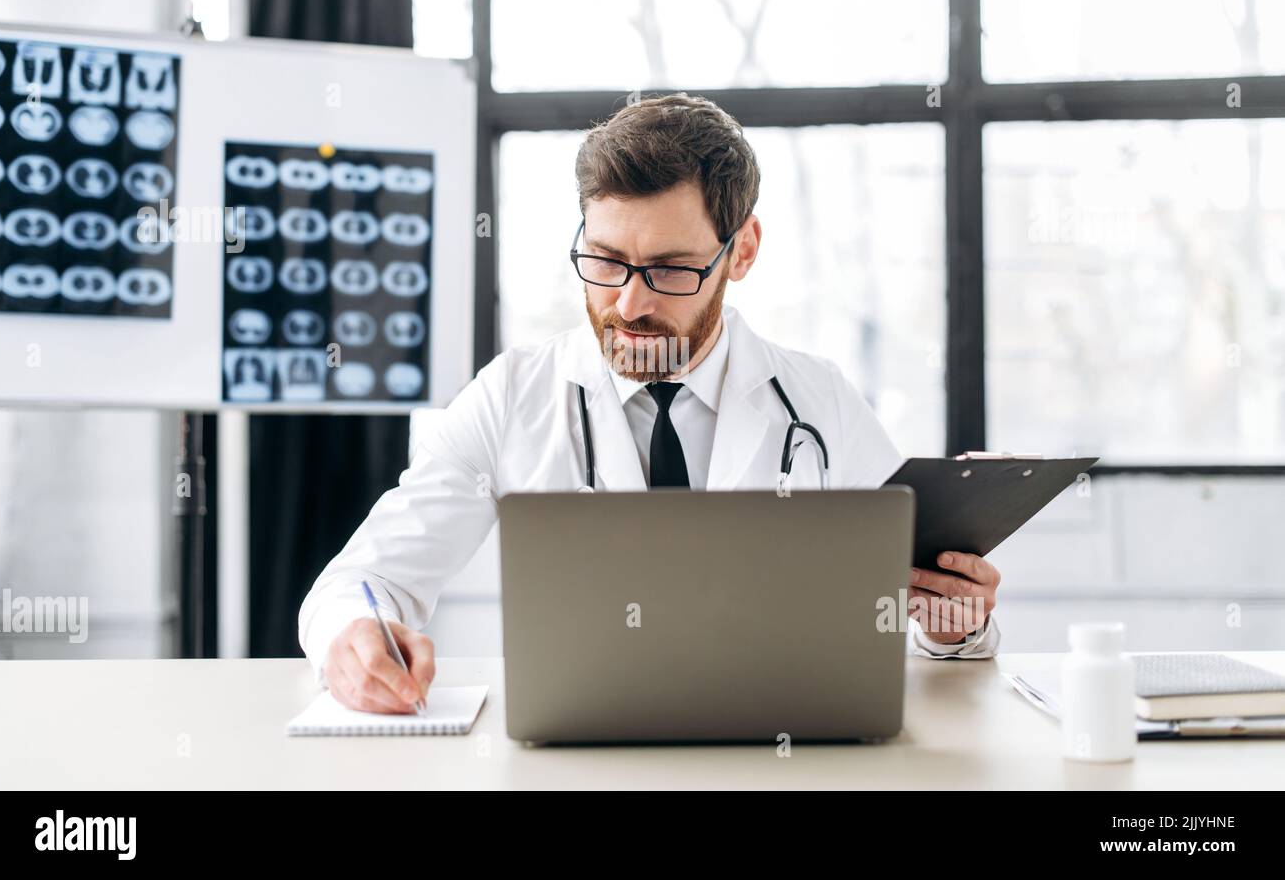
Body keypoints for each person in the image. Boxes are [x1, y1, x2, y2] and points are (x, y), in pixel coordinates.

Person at [299, 94, 1001, 713]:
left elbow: (930, 609)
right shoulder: (512, 396)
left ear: (742, 250)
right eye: (605, 261)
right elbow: (363, 579)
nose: (629, 304)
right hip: (583, 762)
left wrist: (954, 625)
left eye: (668, 268)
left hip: (780, 756)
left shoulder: (818, 402)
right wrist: (354, 637)